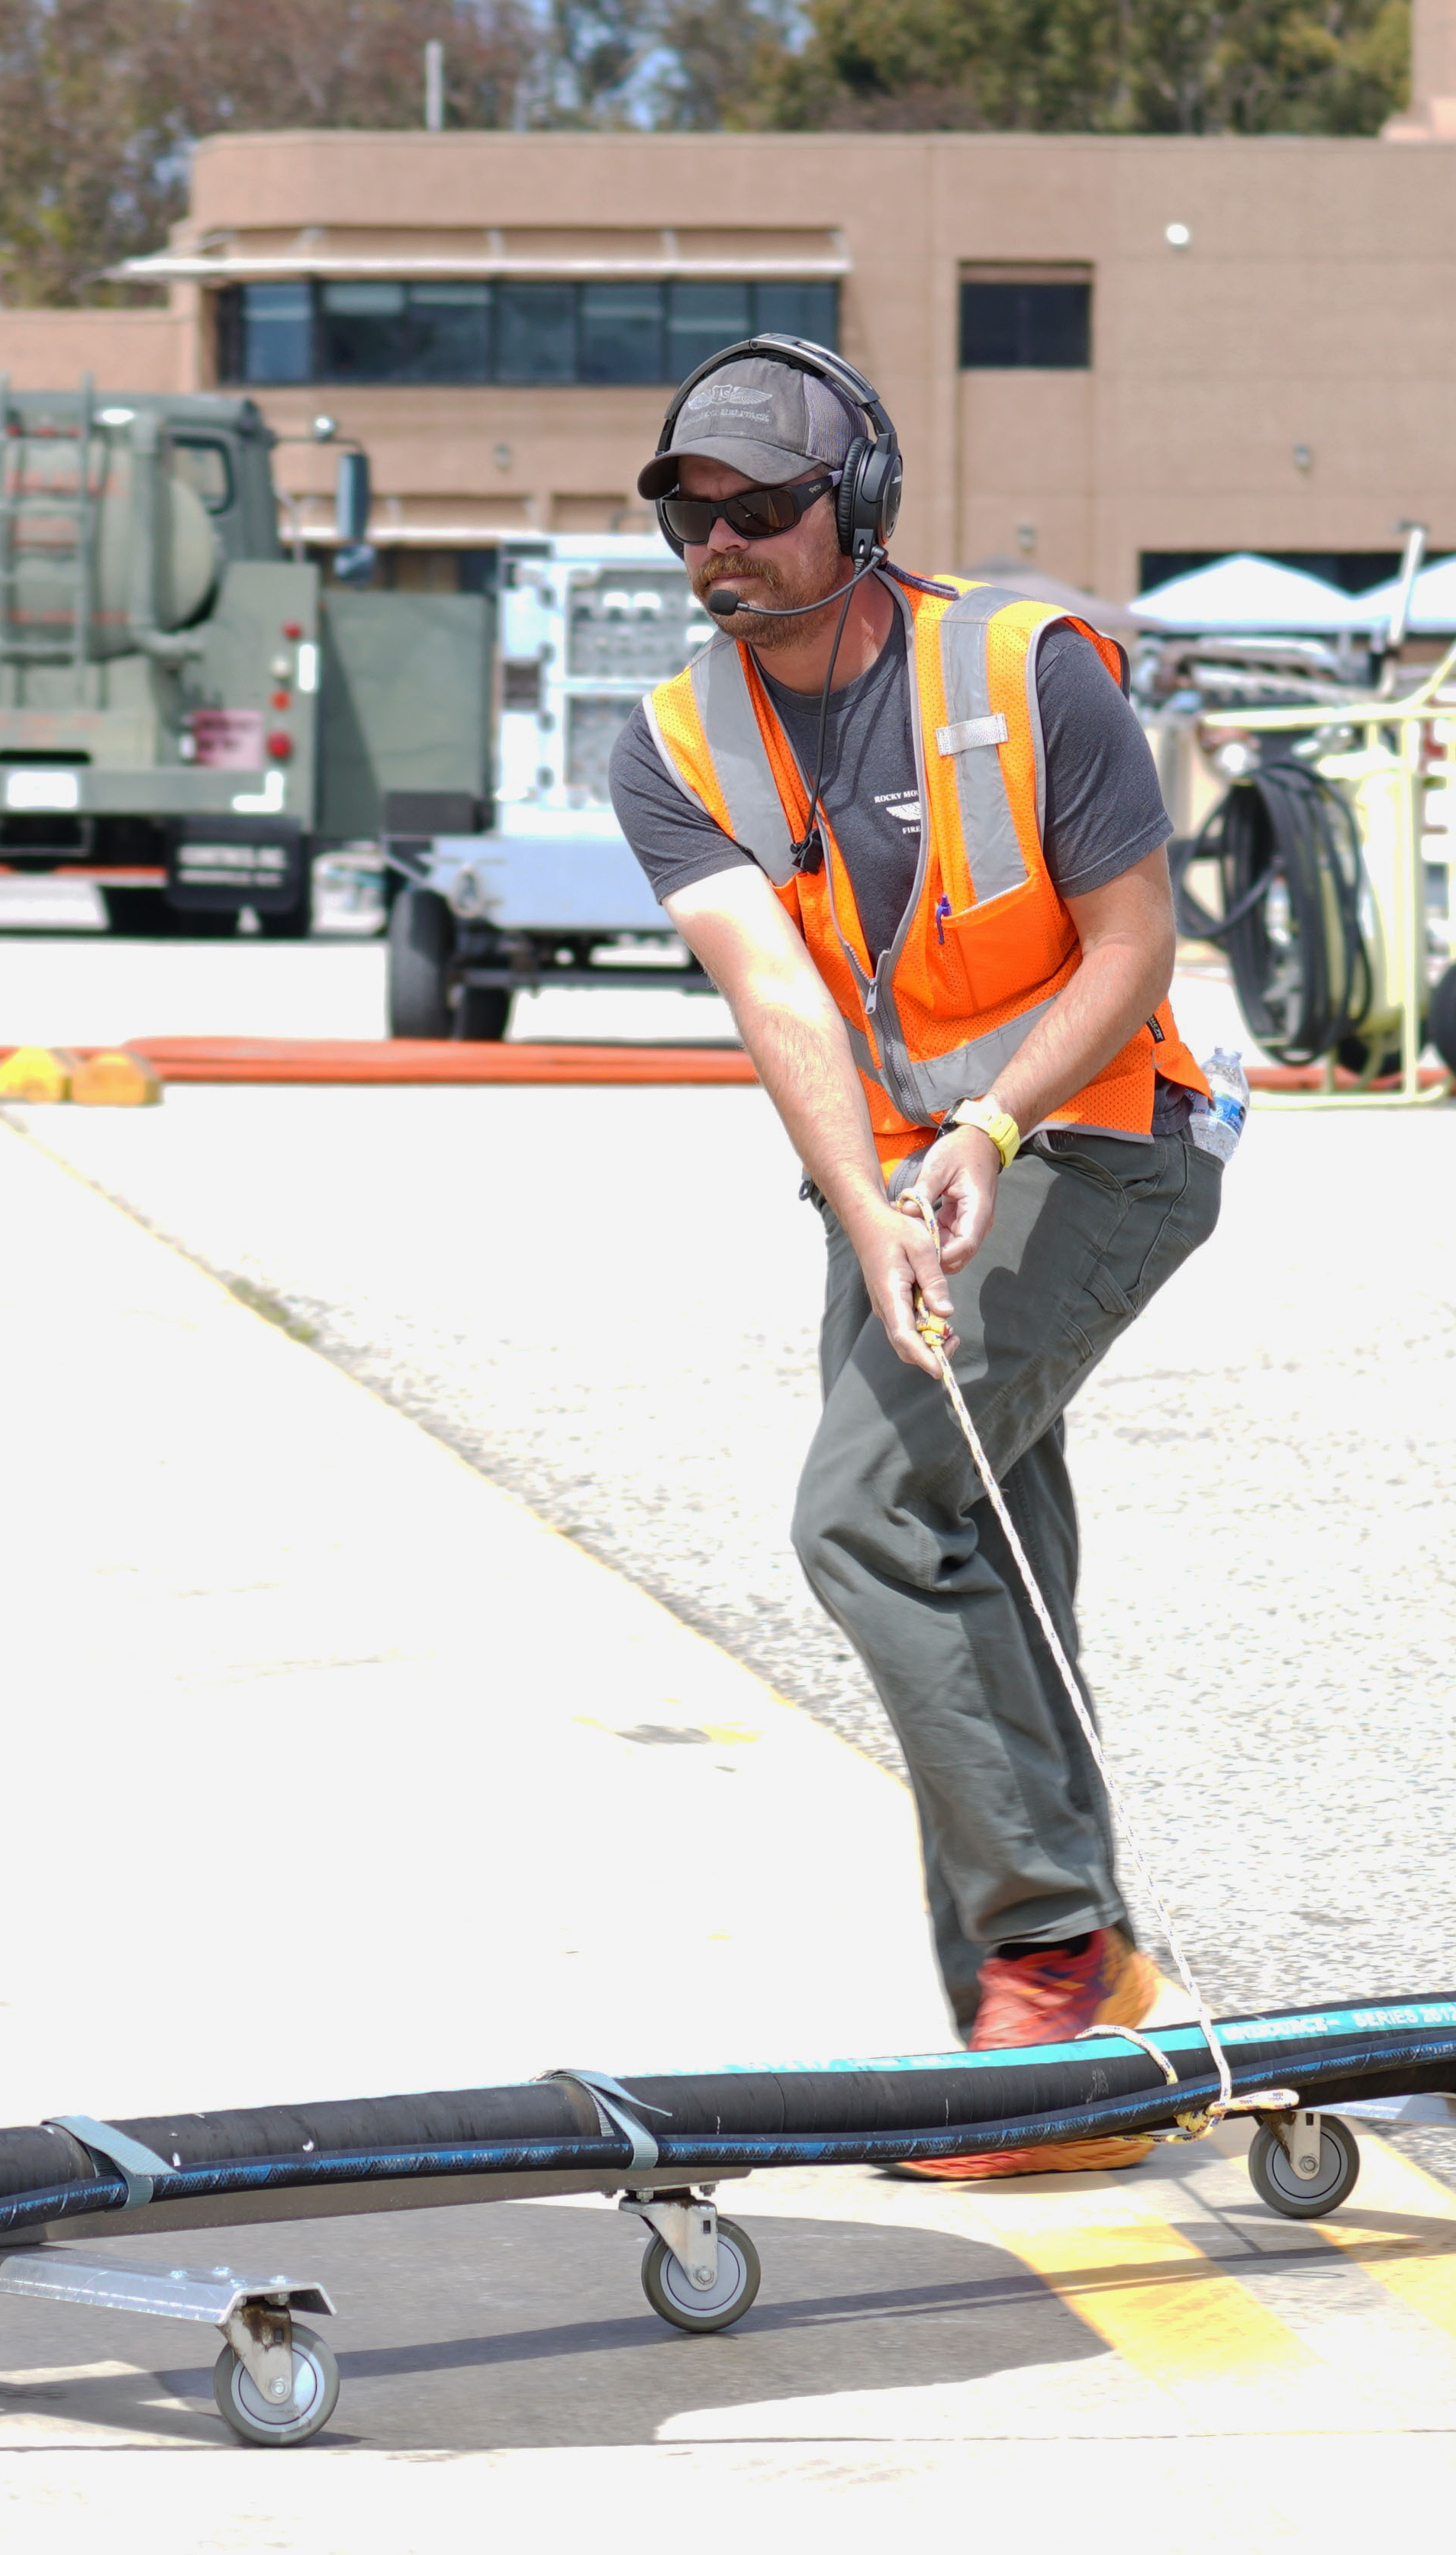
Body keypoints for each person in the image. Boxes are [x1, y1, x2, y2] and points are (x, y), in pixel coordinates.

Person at [604, 338, 1225, 2175]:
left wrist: (988, 1131)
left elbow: (1132, 945)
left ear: (857, 505)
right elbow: (774, 996)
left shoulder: (1026, 676)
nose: (720, 544)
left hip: (1096, 1141)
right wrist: (865, 1204)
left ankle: (1049, 1948)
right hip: (893, 1181)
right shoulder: (675, 742)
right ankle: (1061, 2041)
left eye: (759, 508)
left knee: (864, 1517)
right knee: (983, 1552)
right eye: (688, 515)